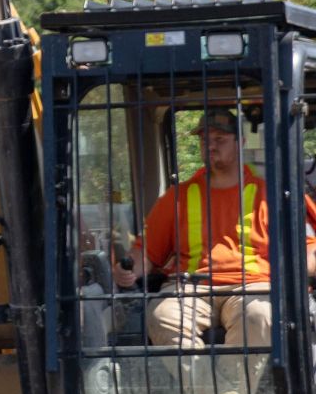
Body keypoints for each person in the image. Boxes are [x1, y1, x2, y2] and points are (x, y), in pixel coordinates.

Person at [122, 103, 316, 352]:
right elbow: (146, 253)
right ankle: (218, 391)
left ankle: (218, 392)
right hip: (189, 286)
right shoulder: (176, 197)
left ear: (240, 142)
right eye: (204, 140)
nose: (210, 146)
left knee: (260, 314)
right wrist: (127, 271)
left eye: (220, 139)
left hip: (253, 286)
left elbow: (308, 251)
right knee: (162, 316)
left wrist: (300, 266)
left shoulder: (273, 195)